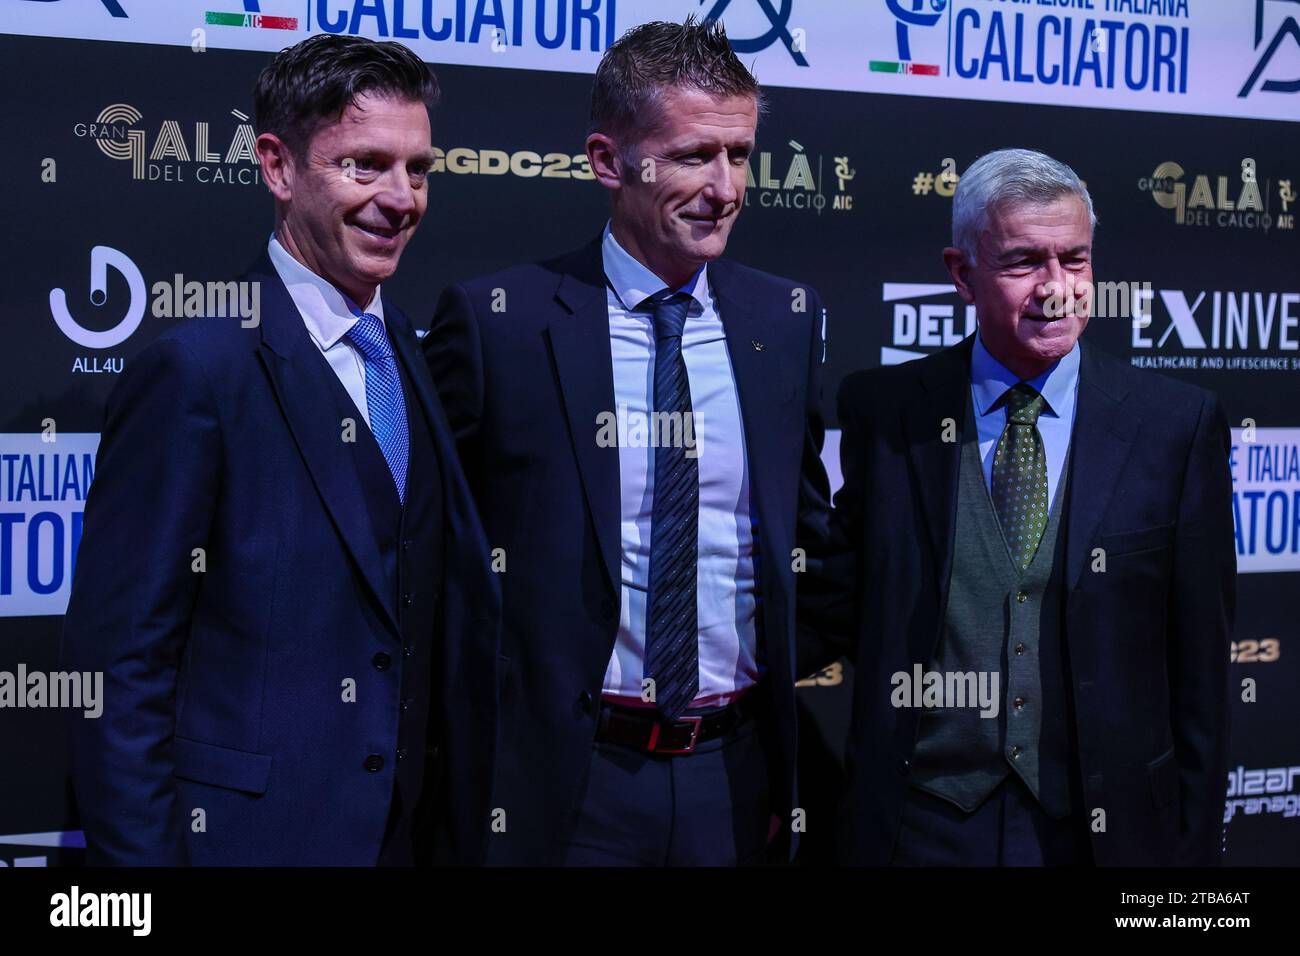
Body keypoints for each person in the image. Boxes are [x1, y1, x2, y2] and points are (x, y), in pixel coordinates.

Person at [62, 33, 498, 866]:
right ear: (276, 166)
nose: (401, 198)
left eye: (418, 169)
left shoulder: (412, 348)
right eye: (364, 165)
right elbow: (121, 668)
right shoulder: (198, 371)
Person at [424, 17, 832, 865]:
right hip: (564, 785)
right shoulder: (503, 324)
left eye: (740, 154)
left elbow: (807, 538)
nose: (725, 187)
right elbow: (431, 558)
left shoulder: (782, 322)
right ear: (609, 161)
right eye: (692, 156)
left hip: (738, 773)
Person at [817, 147, 1235, 866]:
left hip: (1101, 834)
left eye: (1075, 260)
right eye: (1022, 263)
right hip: (920, 829)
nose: (1058, 289)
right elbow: (834, 604)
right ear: (961, 274)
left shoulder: (1175, 425)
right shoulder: (885, 413)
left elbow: (1201, 673)